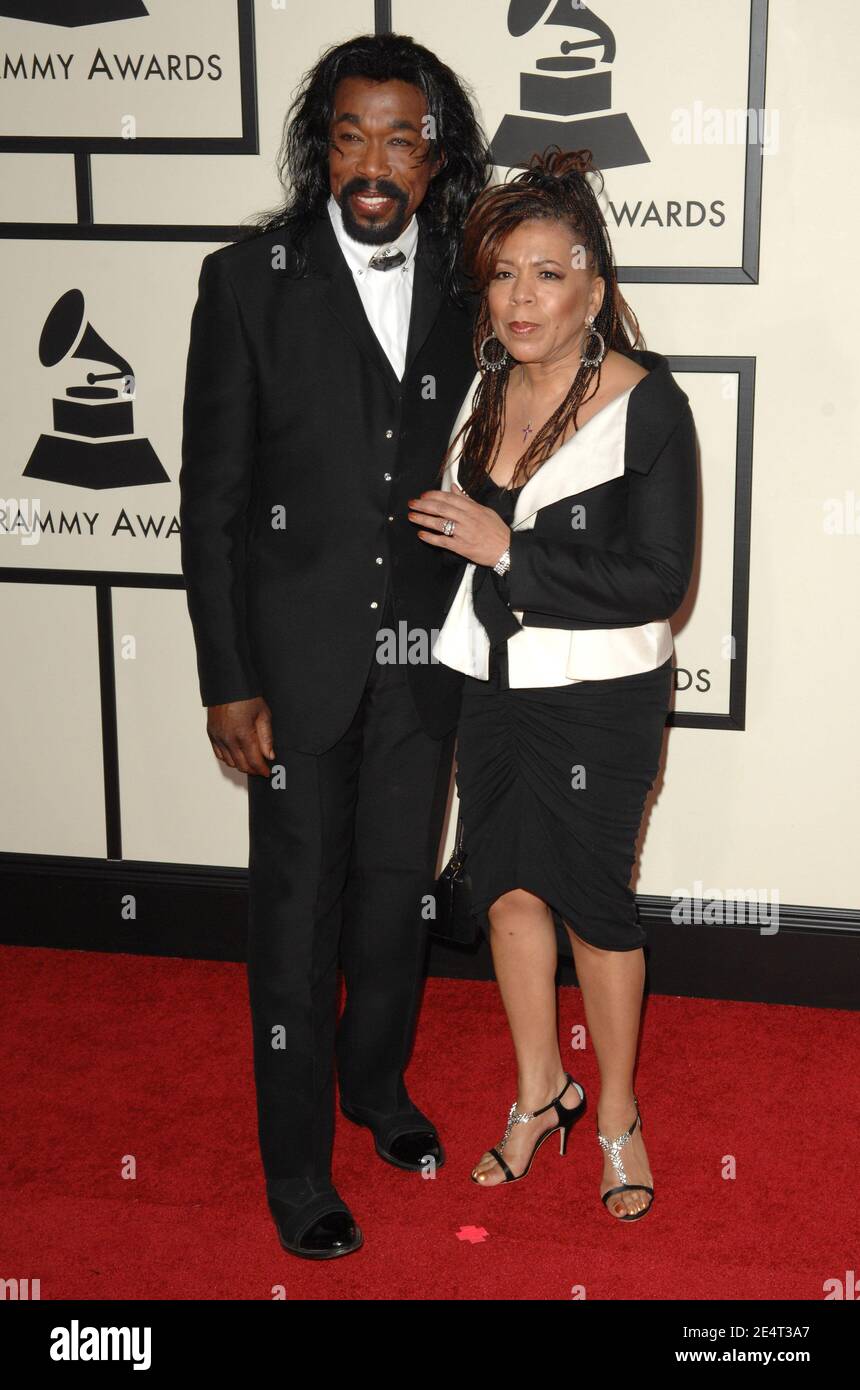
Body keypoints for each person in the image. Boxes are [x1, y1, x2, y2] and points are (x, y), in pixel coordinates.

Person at [179, 33, 489, 1258]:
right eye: (351, 134)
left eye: (401, 137)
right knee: (298, 924)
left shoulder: (471, 282)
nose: (374, 160)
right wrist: (225, 679)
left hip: (423, 665)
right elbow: (210, 501)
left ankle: (377, 1092)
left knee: (391, 906)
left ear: (433, 155)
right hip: (293, 673)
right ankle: (297, 1167)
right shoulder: (246, 279)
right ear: (322, 146)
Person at [408, 148, 698, 1221]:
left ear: (593, 287)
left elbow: (658, 580)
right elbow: (451, 532)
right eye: (500, 274)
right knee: (506, 891)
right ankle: (540, 1093)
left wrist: (502, 552)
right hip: (488, 681)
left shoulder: (645, 402)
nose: (520, 297)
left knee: (593, 907)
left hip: (595, 696)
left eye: (545, 273)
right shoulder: (482, 392)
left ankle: (614, 1113)